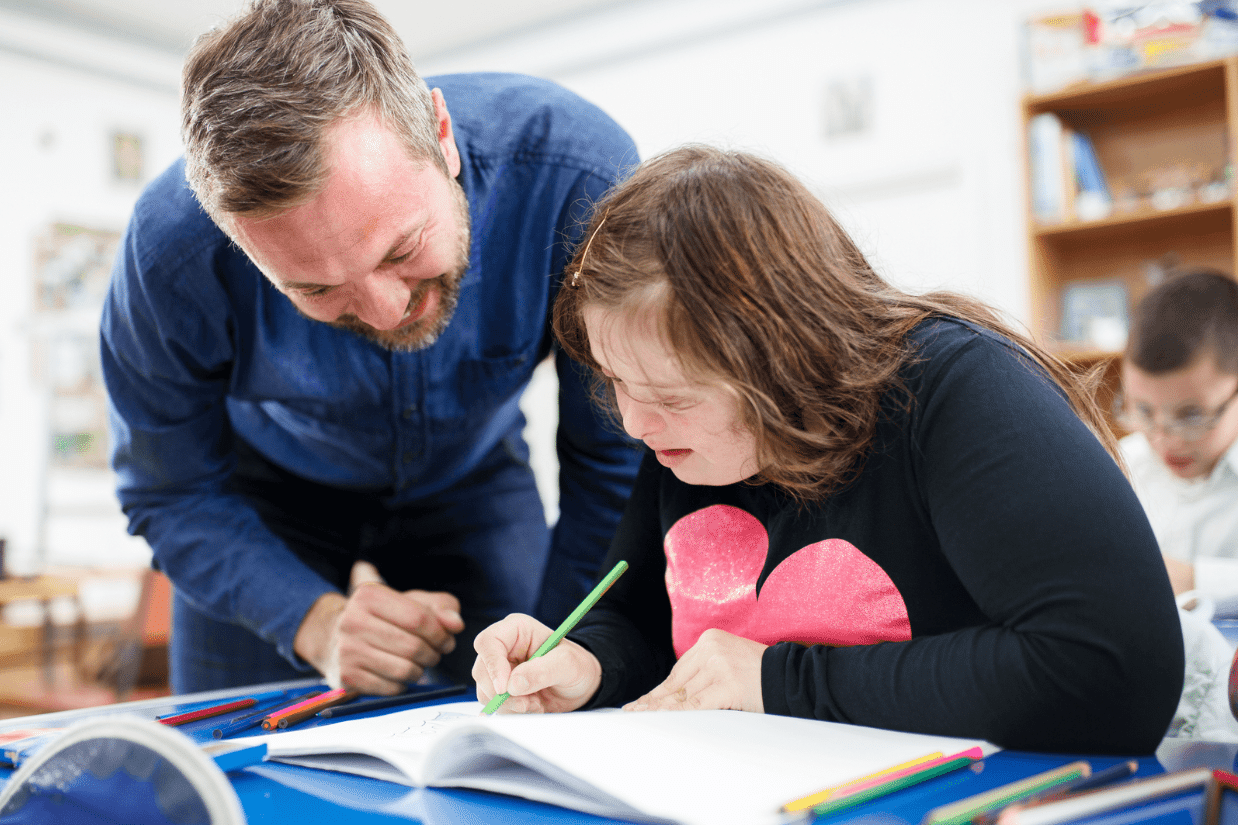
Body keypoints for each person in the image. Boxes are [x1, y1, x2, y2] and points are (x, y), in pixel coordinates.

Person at [470, 145, 1184, 754]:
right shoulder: (686, 443)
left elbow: (1110, 669)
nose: (633, 423)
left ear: (781, 356)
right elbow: (640, 620)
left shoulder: (953, 392)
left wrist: (771, 680)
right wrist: (587, 659)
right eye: (616, 380)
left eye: (673, 394)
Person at [99, 0, 642, 697]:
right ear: (237, 244)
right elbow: (170, 489)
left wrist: (568, 649)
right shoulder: (170, 255)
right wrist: (313, 621)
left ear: (442, 136)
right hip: (264, 502)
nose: (388, 312)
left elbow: (613, 457)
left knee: (537, 714)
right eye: (316, 290)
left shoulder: (579, 179)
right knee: (225, 784)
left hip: (473, 480)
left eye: (403, 248)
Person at [1118, 269, 1238, 612]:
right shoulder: (1119, 467)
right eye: (1142, 409)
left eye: (1190, 416)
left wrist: (1191, 581)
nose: (1162, 438)